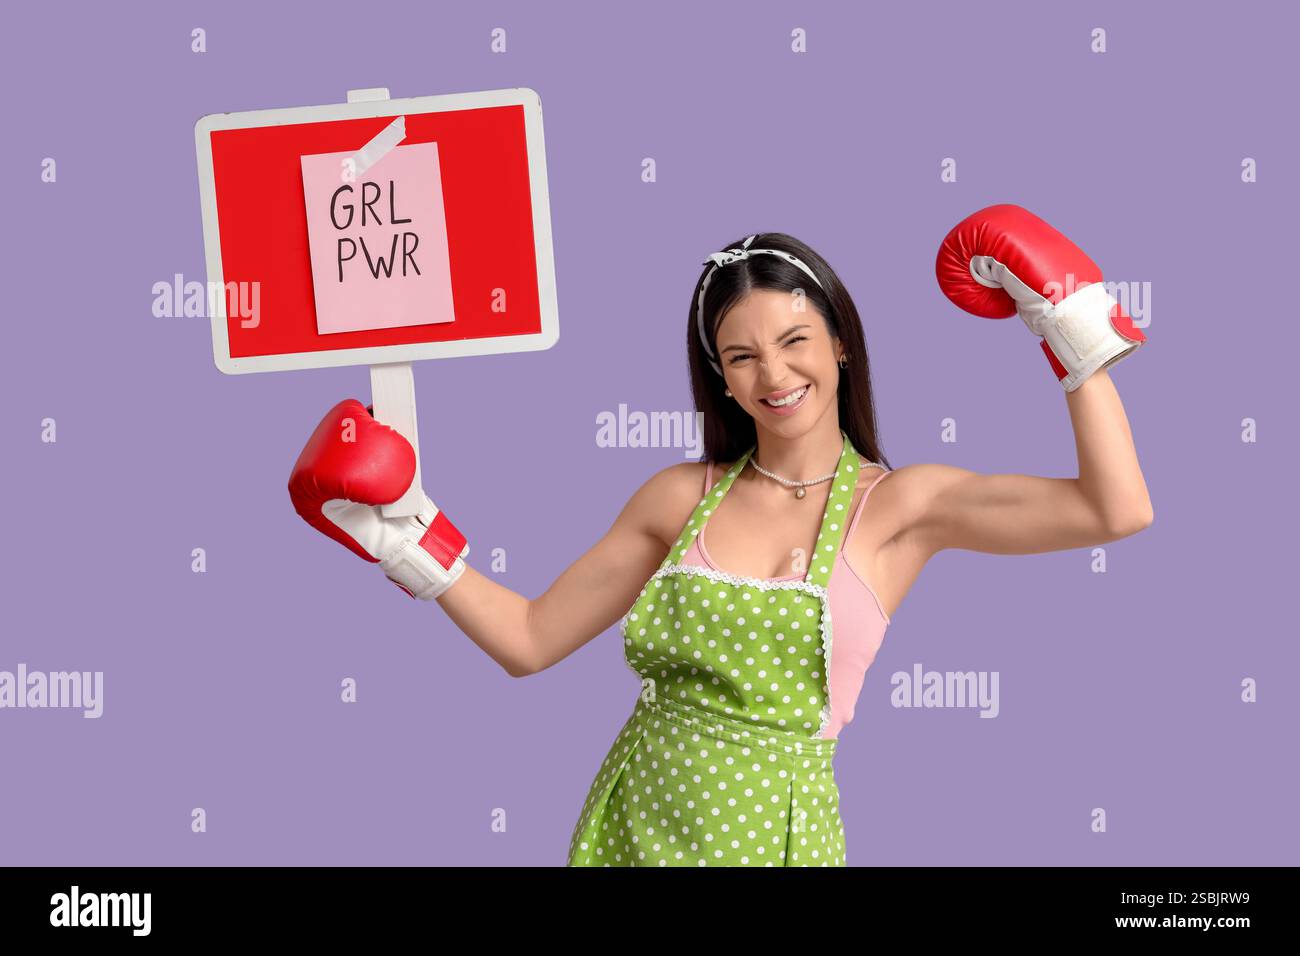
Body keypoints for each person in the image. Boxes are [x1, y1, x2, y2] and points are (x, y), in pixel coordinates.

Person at [288, 204, 1153, 866]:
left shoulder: (902, 508)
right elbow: (528, 640)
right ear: (721, 379)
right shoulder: (676, 498)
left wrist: (1068, 326)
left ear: (841, 344)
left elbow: (1115, 509)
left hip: (778, 835)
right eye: (741, 357)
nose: (774, 374)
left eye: (794, 340)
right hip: (638, 817)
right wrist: (408, 537)